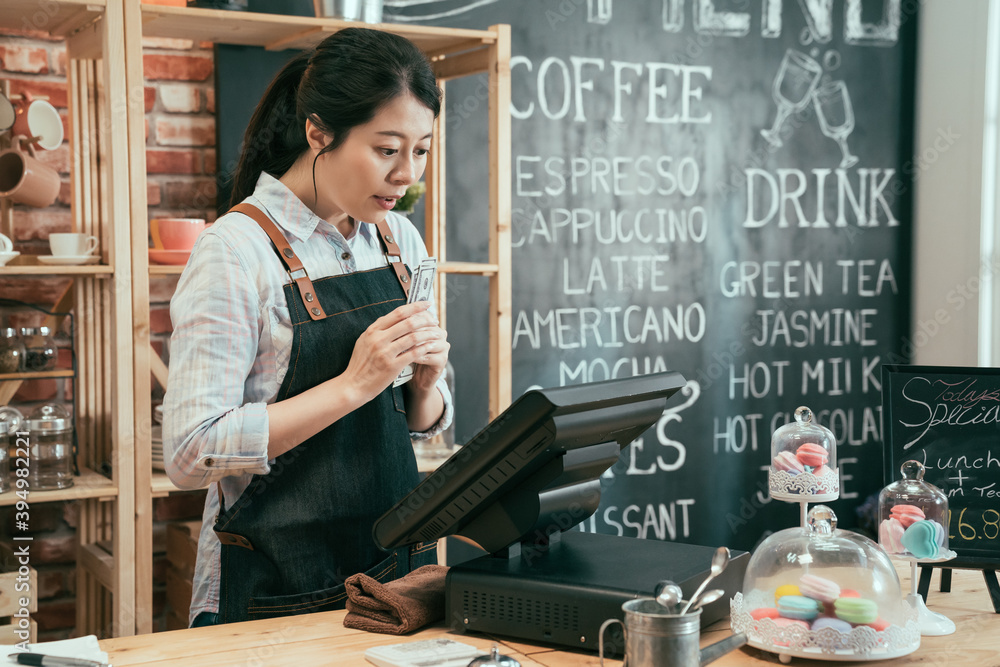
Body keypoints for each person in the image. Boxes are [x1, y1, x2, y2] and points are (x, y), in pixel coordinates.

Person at [162, 27, 453, 627]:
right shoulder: (236, 251)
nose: (406, 174)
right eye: (386, 148)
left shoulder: (401, 241)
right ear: (318, 131)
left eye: (421, 150)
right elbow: (190, 454)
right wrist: (352, 386)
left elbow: (417, 422)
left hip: (393, 582)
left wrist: (423, 386)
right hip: (275, 586)